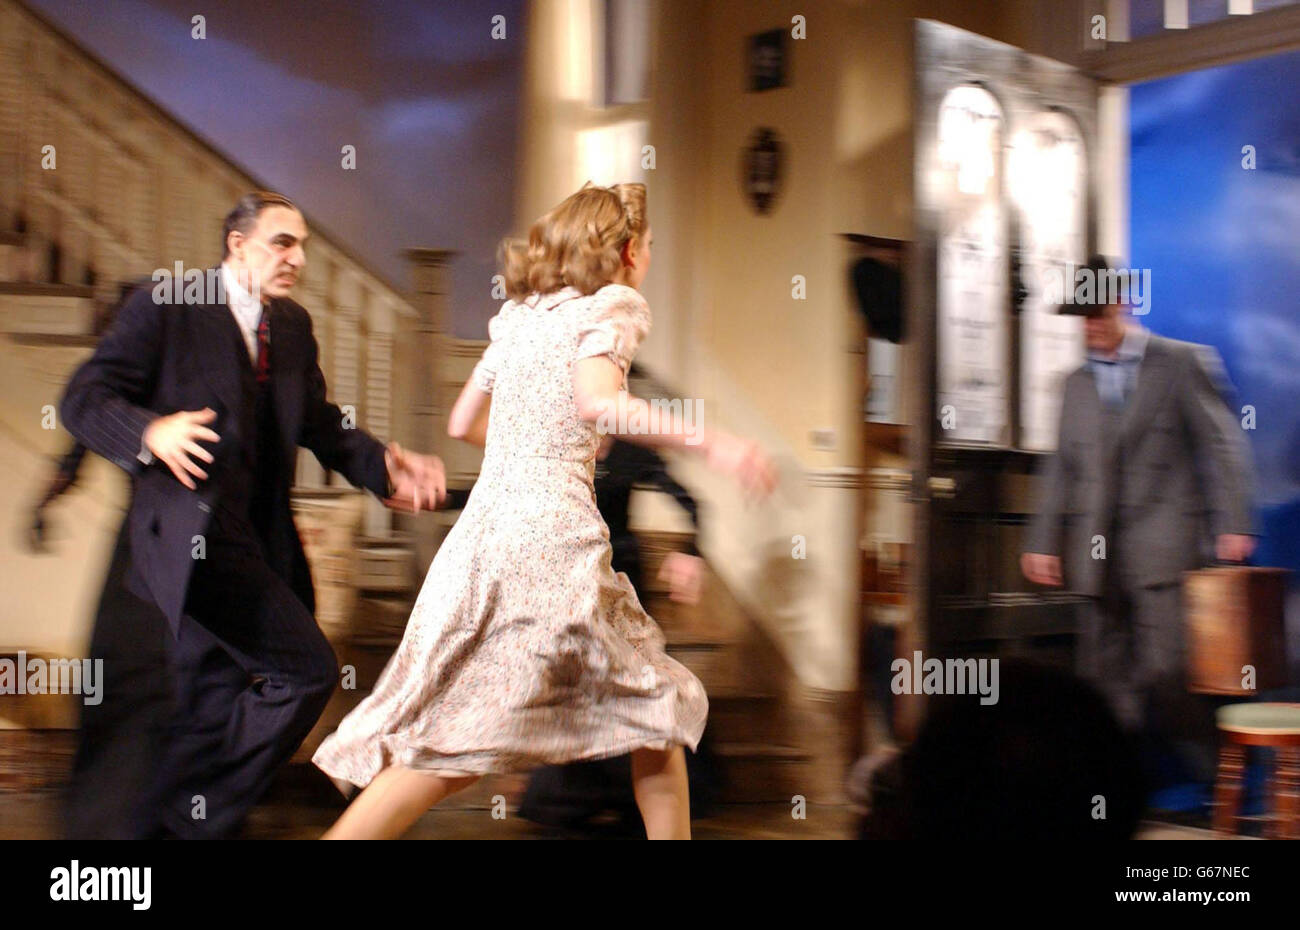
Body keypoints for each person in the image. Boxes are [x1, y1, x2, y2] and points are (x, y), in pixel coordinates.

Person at [312, 182, 776, 840]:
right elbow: (598, 403)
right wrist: (714, 441)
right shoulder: (614, 306)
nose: (646, 259)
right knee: (519, 732)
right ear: (625, 251)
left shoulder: (523, 316)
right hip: (551, 540)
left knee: (648, 715)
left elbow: (463, 420)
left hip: (484, 536)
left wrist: (540, 439)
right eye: (645, 247)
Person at [58, 190, 448, 839]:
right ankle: (179, 822)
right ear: (237, 244)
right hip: (184, 545)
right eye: (282, 242)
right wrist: (150, 433)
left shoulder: (291, 326)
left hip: (253, 543)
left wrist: (382, 466)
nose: (296, 257)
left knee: (240, 699)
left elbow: (319, 424)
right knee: (292, 673)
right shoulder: (167, 304)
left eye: (301, 246)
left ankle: (182, 824)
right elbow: (82, 397)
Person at [1021, 255, 1254, 786]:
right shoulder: (1074, 384)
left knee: (1169, 672)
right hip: (1096, 554)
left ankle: (1222, 787)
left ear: (1123, 305)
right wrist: (1042, 540)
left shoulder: (1181, 363)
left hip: (1165, 548)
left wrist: (1235, 520)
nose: (1090, 327)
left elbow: (1222, 443)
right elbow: (1060, 465)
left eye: (1098, 314)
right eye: (1082, 318)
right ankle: (1114, 794)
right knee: (1103, 682)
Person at [517, 425, 720, 833]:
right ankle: (582, 793)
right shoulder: (558, 442)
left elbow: (692, 502)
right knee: (585, 681)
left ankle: (646, 791)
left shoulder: (629, 450)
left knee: (638, 682)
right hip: (575, 577)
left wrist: (689, 552)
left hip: (623, 578)